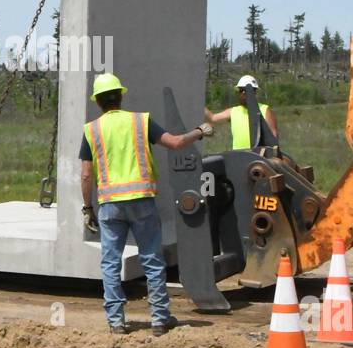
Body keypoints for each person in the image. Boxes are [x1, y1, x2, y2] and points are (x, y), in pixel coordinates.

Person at [79, 73, 213, 334]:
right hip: (141, 200)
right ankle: (159, 319)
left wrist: (87, 207)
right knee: (152, 259)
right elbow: (174, 143)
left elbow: (86, 174)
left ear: (98, 102)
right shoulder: (141, 121)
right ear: (120, 96)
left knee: (110, 263)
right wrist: (199, 132)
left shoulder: (91, 130)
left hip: (110, 204)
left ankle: (116, 321)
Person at [204, 75, 279, 148]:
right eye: (241, 90)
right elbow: (213, 118)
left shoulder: (264, 109)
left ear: (255, 92)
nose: (243, 93)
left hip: (258, 157)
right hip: (238, 156)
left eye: (246, 90)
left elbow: (273, 137)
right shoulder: (233, 111)